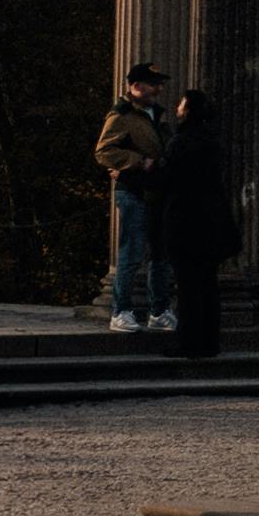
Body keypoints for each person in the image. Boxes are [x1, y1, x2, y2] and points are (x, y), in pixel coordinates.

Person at [154, 87, 236, 364]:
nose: (177, 108)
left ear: (188, 111)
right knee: (207, 284)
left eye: (181, 104)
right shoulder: (213, 140)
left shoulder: (181, 141)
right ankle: (209, 341)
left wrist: (148, 168)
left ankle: (188, 342)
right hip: (211, 221)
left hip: (185, 220)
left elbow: (167, 178)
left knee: (188, 284)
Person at [93, 63, 172, 332]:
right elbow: (104, 152)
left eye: (159, 84)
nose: (158, 89)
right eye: (153, 84)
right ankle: (120, 311)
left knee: (160, 254)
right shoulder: (122, 115)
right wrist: (137, 162)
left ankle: (159, 311)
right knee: (132, 252)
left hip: (156, 190)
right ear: (136, 86)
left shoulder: (156, 114)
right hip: (134, 191)